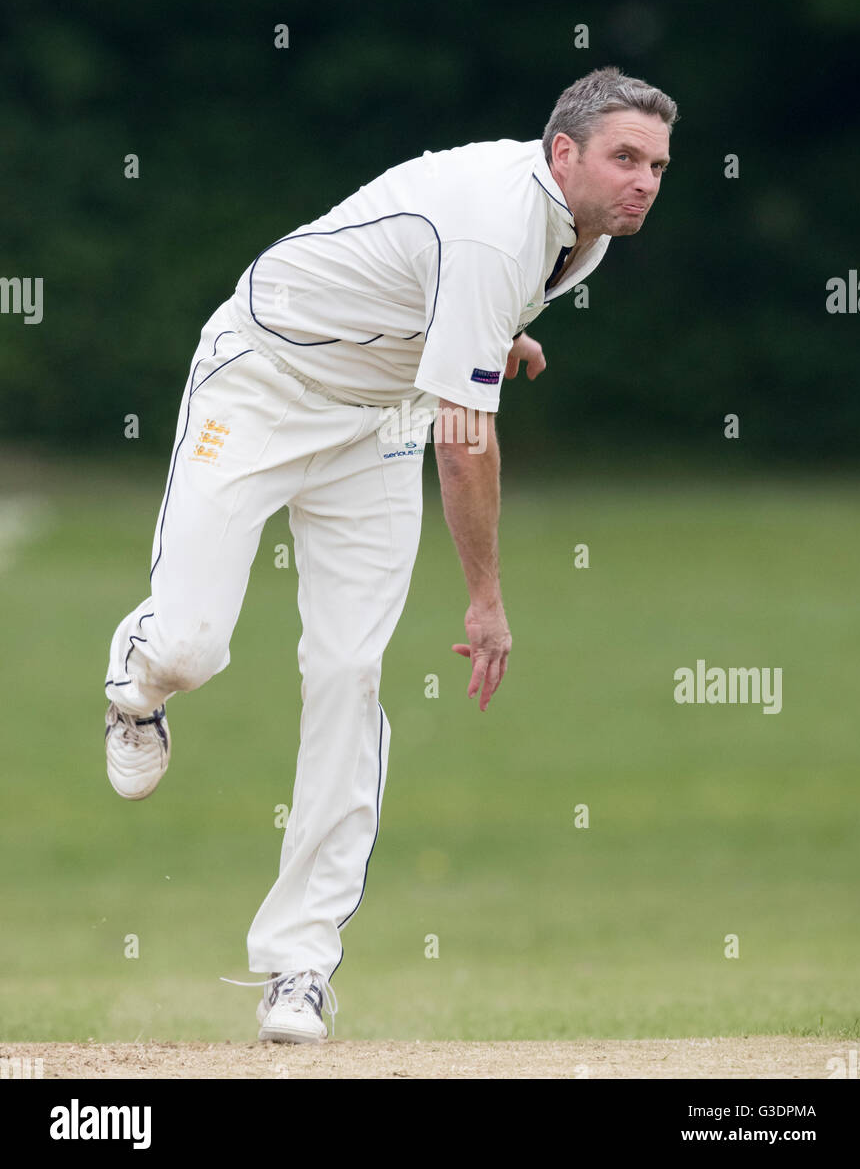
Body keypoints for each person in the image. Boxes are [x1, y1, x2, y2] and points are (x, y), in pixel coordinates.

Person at [103, 65, 677, 1042]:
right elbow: (467, 437)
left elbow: (457, 307)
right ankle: (136, 680)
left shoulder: (580, 229)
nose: (644, 182)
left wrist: (493, 338)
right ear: (561, 152)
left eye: (658, 165)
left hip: (378, 424)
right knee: (192, 647)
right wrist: (485, 598)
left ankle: (299, 965)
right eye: (624, 157)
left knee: (347, 670)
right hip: (262, 385)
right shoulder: (502, 224)